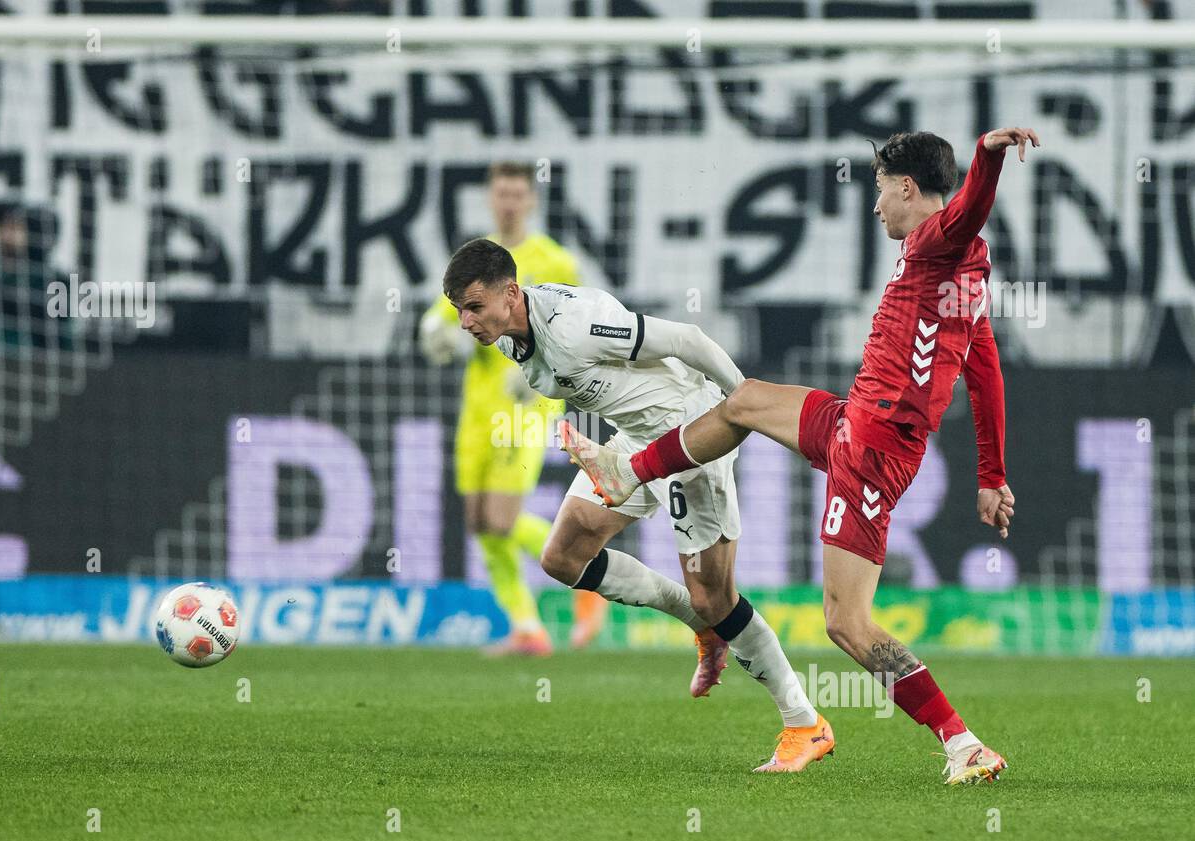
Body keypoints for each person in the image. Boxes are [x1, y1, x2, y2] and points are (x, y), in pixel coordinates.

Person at [563, 128, 1039, 785]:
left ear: (906, 187)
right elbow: (985, 370)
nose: (875, 207)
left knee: (847, 622)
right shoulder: (961, 272)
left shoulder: (938, 238)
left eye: (878, 190)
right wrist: (990, 475)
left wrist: (986, 154)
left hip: (876, 448)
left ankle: (962, 742)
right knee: (745, 400)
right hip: (852, 420)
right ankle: (628, 471)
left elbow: (968, 208)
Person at [442, 237, 834, 773]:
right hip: (634, 442)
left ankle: (804, 722)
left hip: (691, 436)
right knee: (563, 556)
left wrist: (742, 402)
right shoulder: (510, 337)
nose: (465, 321)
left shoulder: (575, 325)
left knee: (716, 597)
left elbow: (686, 339)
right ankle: (700, 626)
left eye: (473, 307)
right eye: (458, 310)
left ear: (511, 293)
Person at [421, 162, 606, 656]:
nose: (508, 202)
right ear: (491, 197)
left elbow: (578, 325)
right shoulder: (475, 257)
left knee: (502, 519)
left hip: (525, 403)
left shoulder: (555, 261)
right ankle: (527, 627)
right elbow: (444, 317)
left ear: (531, 200)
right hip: (477, 403)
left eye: (517, 193)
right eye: (501, 192)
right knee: (480, 519)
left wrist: (542, 371)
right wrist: (433, 333)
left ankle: (589, 576)